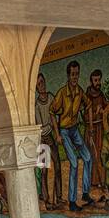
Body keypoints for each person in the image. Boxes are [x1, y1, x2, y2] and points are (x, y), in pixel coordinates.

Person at [51, 60, 94, 211]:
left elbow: (88, 105)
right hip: (64, 131)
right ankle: (72, 201)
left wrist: (90, 127)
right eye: (73, 74)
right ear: (68, 76)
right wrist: (57, 135)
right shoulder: (62, 93)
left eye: (77, 74)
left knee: (88, 157)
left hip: (75, 130)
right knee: (74, 163)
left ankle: (86, 193)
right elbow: (52, 112)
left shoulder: (80, 91)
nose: (75, 77)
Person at [35, 72, 61, 208]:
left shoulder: (51, 97)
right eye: (39, 84)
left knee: (57, 164)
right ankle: (46, 199)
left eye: (43, 81)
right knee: (43, 170)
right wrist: (51, 125)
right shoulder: (37, 106)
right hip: (42, 139)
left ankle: (59, 197)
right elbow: (40, 128)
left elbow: (56, 112)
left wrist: (55, 127)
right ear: (36, 88)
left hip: (52, 136)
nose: (42, 85)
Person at [85, 68, 108, 196]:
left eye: (99, 80)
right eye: (95, 80)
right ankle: (94, 182)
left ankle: (100, 180)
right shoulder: (88, 95)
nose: (98, 82)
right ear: (91, 81)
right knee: (92, 155)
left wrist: (103, 111)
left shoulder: (101, 94)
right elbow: (85, 115)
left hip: (100, 128)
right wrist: (95, 113)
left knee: (100, 153)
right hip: (91, 129)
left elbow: (107, 107)